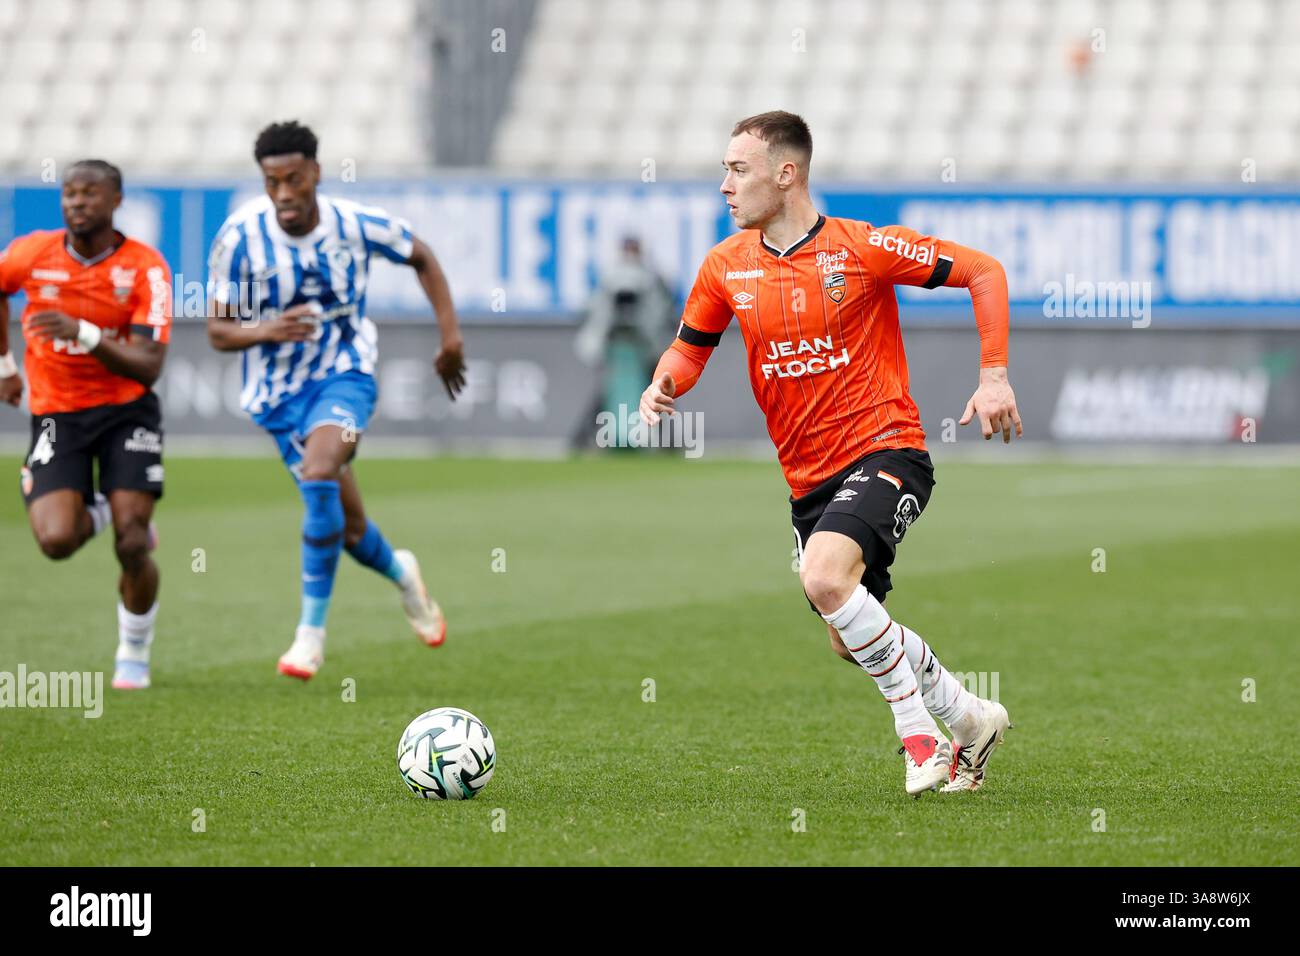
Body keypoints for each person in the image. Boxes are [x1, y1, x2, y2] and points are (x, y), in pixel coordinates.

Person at [640, 112, 1021, 796]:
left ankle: (919, 737)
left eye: (738, 170)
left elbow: (983, 272)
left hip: (887, 450)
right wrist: (664, 381)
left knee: (821, 579)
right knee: (850, 637)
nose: (724, 186)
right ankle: (970, 718)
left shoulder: (861, 248)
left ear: (786, 175)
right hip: (809, 482)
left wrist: (993, 375)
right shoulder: (725, 266)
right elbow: (690, 349)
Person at [206, 121, 467, 680]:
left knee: (322, 467)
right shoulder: (239, 237)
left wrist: (450, 337)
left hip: (347, 377)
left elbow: (422, 257)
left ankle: (309, 637)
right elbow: (219, 332)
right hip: (277, 397)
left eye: (293, 180)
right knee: (346, 528)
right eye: (271, 181)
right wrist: (267, 330)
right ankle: (402, 573)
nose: (283, 194)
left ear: (315, 174)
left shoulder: (355, 224)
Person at [0, 159, 171, 690]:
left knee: (133, 541)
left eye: (89, 194)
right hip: (58, 413)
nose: (77, 202)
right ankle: (98, 507)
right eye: (69, 194)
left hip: (126, 411)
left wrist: (87, 332)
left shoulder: (146, 268)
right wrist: (5, 365)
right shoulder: (33, 253)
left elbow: (149, 365)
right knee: (55, 541)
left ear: (116, 200)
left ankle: (134, 651)